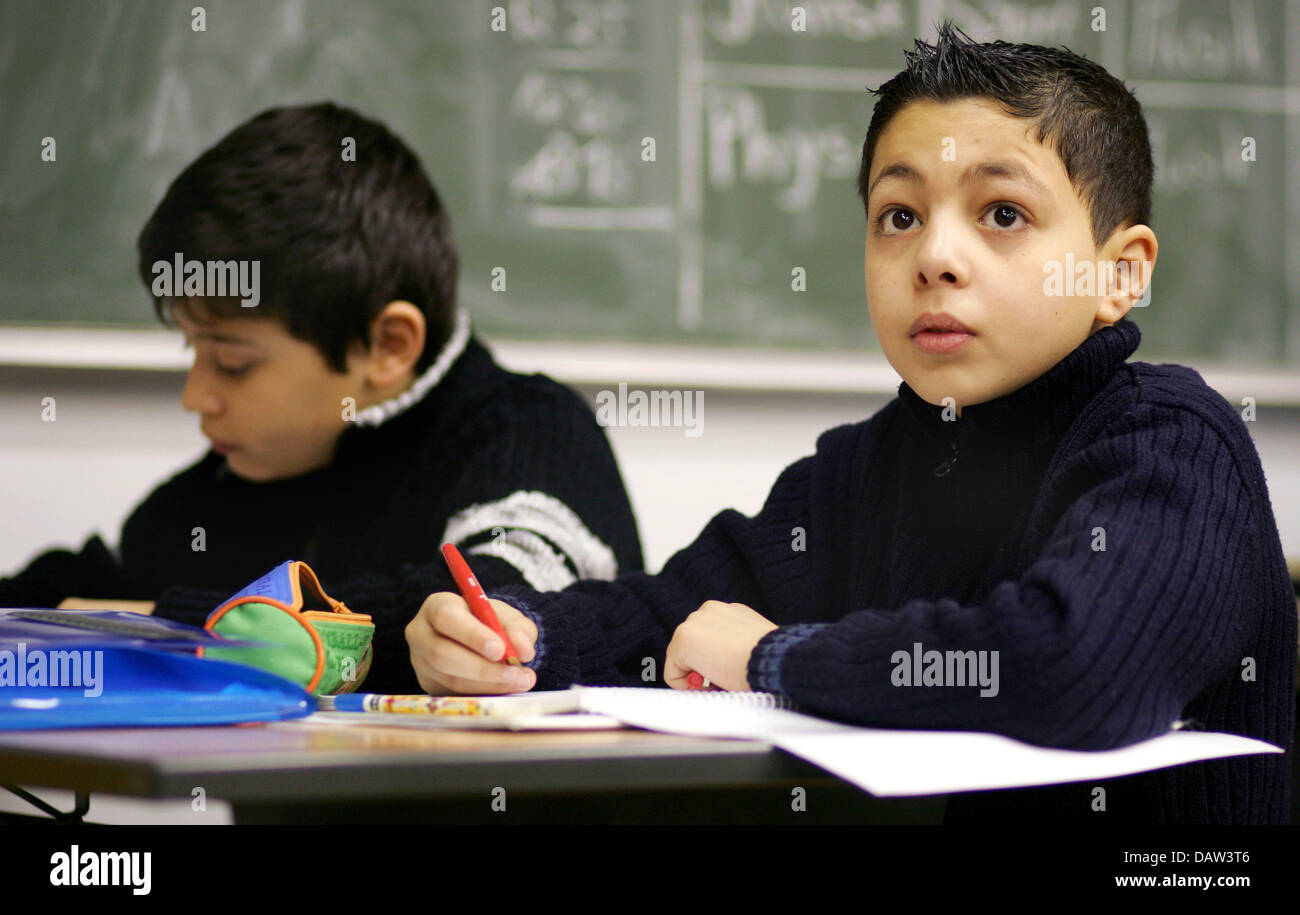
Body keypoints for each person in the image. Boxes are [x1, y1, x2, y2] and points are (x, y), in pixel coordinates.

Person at [405, 24, 1295, 823]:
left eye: (1003, 214)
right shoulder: (862, 468)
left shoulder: (1174, 442)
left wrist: (775, 658)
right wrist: (516, 635)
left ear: (1120, 273)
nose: (937, 258)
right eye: (899, 216)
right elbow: (673, 615)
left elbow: (1073, 667)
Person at [0, 102, 643, 694]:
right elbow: (81, 591)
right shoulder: (246, 478)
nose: (197, 396)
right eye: (191, 352)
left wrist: (175, 624)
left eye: (232, 362)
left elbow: (492, 610)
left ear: (388, 345)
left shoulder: (532, 432)